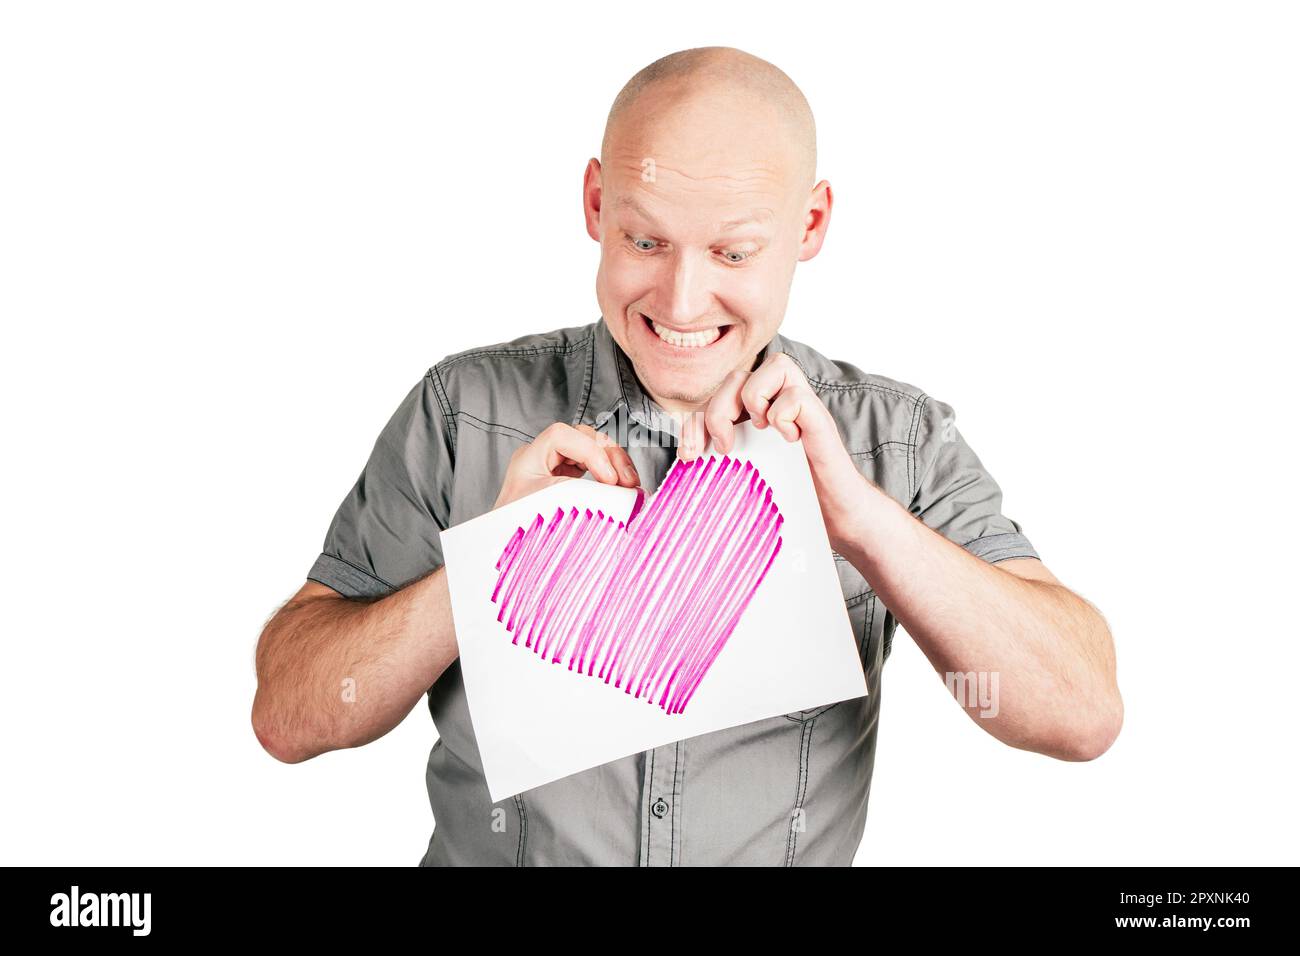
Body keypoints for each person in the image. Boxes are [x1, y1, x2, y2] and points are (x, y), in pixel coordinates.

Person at [251, 46, 1122, 866]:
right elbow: (292, 719)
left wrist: (864, 526)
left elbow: (1079, 717)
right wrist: (484, 575)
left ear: (810, 223)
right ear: (596, 205)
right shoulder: (463, 412)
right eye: (645, 241)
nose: (681, 298)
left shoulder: (895, 441)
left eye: (733, 251)